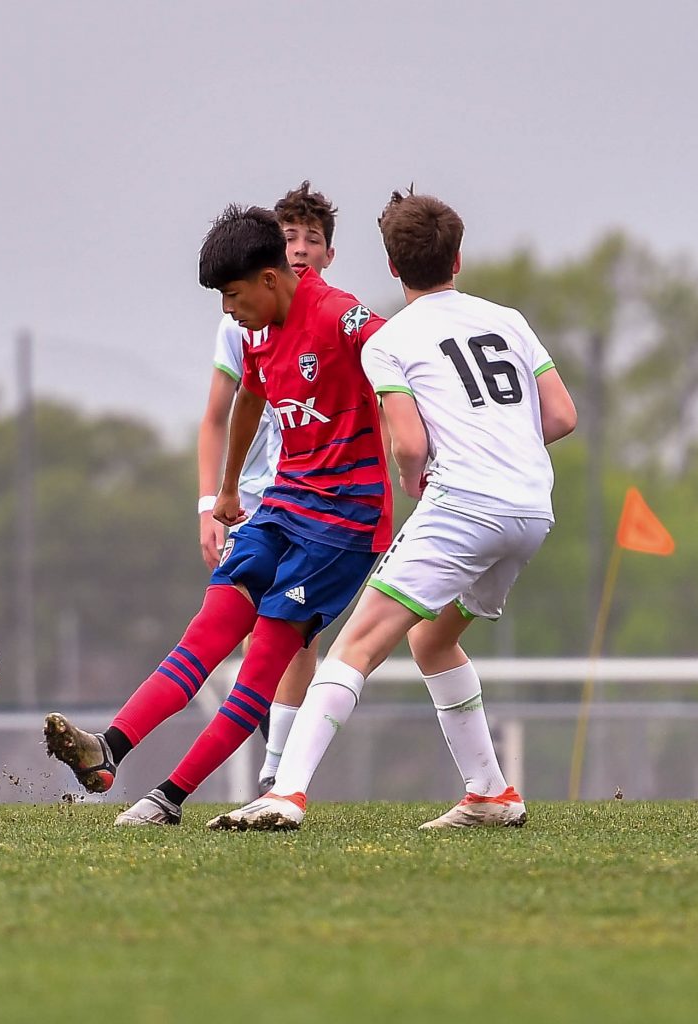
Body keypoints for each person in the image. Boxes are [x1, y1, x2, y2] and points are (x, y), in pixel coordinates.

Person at [208, 190, 578, 832]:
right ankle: (489, 792)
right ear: (458, 259)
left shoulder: (392, 337)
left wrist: (415, 475)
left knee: (356, 641)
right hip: (530, 510)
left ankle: (283, 793)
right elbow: (563, 417)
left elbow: (407, 442)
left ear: (390, 267)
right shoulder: (509, 319)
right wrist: (505, 451)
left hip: (464, 505)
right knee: (431, 638)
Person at [45, 203, 392, 825]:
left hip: (344, 524)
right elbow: (250, 398)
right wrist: (228, 490)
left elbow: (404, 356)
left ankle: (169, 797)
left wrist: (424, 443)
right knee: (206, 633)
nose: (228, 311)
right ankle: (108, 750)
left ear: (268, 278)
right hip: (282, 505)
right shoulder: (258, 332)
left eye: (232, 295)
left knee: (261, 661)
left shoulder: (343, 316)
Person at [197, 182, 338, 794]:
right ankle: (277, 761)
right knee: (258, 630)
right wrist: (210, 503)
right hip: (255, 500)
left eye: (313, 239)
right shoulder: (240, 326)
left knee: (295, 630)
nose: (301, 248)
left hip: (316, 498)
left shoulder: (337, 322)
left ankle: (279, 771)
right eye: (291, 238)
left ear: (329, 254)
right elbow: (215, 417)